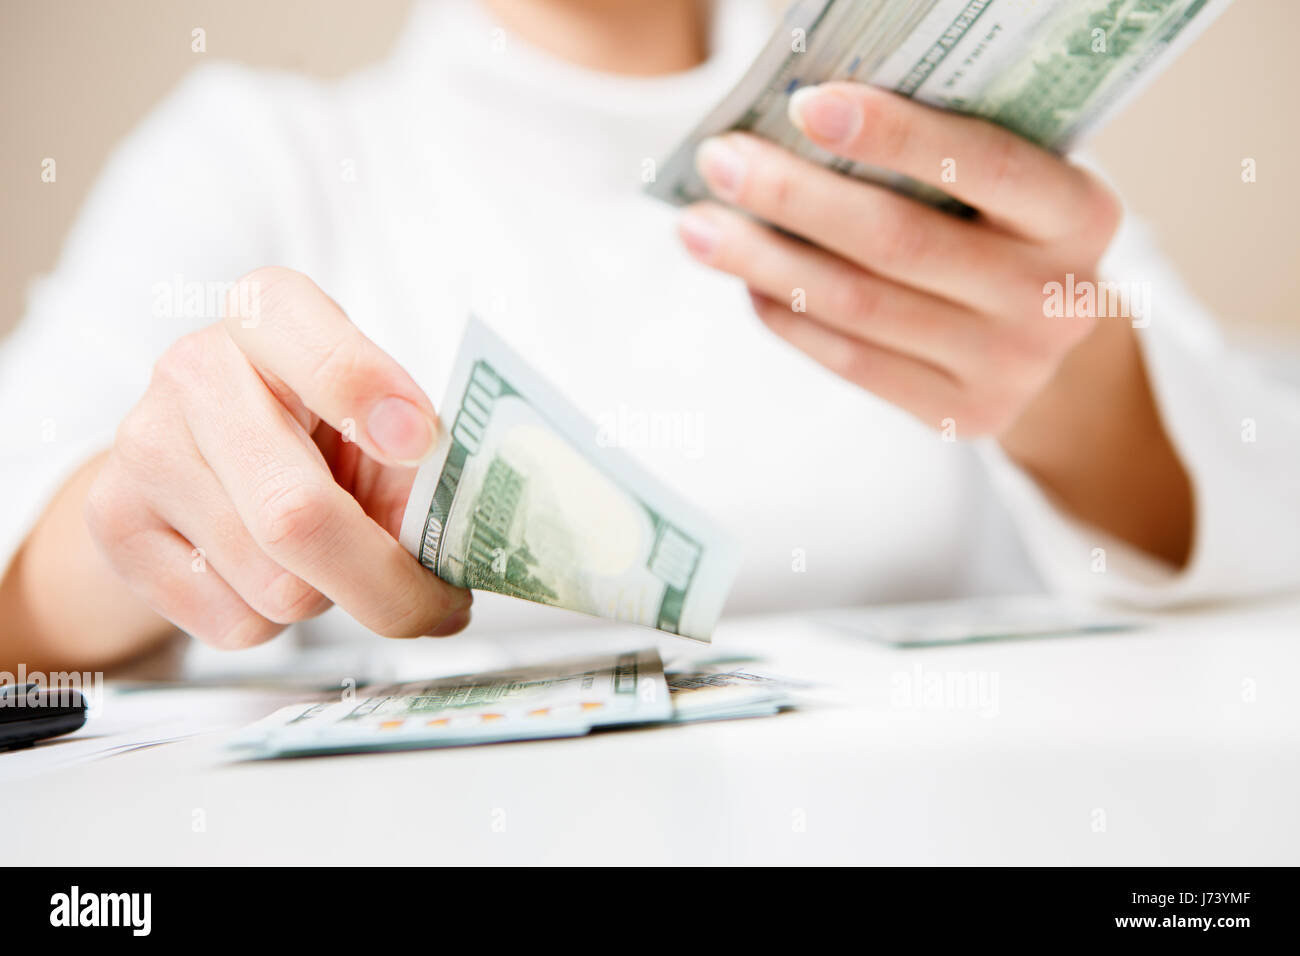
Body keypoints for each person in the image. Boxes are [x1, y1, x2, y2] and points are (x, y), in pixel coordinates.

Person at [1, 0, 1297, 674]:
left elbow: (1264, 502)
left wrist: (1074, 387)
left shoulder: (929, 124)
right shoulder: (259, 155)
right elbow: (24, 579)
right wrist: (127, 535)